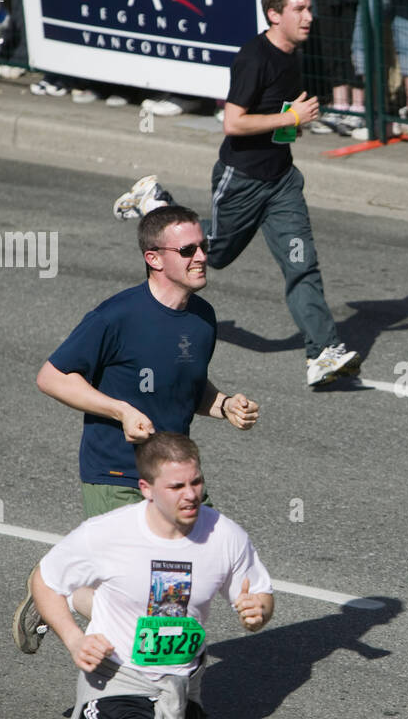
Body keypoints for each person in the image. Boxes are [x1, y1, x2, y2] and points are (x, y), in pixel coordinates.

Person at [14, 205, 260, 654]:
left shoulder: (202, 318)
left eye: (203, 246)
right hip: (117, 472)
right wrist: (119, 410)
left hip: (173, 474)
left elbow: (185, 384)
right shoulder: (117, 316)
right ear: (154, 258)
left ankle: (157, 688)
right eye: (188, 249)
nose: (201, 256)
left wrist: (223, 404)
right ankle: (61, 593)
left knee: (175, 592)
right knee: (154, 599)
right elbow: (51, 376)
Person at [112, 0, 361, 388]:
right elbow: (232, 122)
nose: (308, 17)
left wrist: (288, 125)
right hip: (242, 179)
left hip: (282, 180)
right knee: (216, 254)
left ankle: (322, 353)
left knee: (302, 265)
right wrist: (291, 119)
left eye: (309, 9)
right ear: (274, 14)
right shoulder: (254, 58)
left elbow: (280, 113)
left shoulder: (293, 54)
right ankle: (155, 205)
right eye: (299, 10)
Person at [35, 432, 273, 719]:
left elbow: (259, 593)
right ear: (146, 488)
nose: (191, 494)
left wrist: (258, 611)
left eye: (196, 482)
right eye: (176, 486)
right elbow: (44, 580)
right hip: (118, 686)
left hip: (182, 693)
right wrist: (75, 639)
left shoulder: (224, 536)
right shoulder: (107, 535)